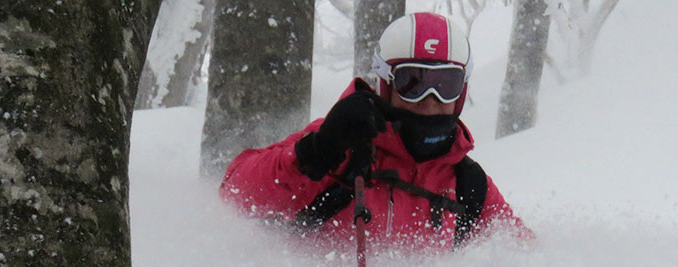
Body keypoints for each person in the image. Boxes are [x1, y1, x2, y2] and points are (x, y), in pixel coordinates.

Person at [220, 12, 532, 254]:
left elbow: (525, 261)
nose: (431, 100)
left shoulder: (469, 186)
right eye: (413, 83)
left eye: (446, 84)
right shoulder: (338, 143)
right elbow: (234, 194)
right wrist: (314, 153)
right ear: (385, 84)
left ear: (461, 91)